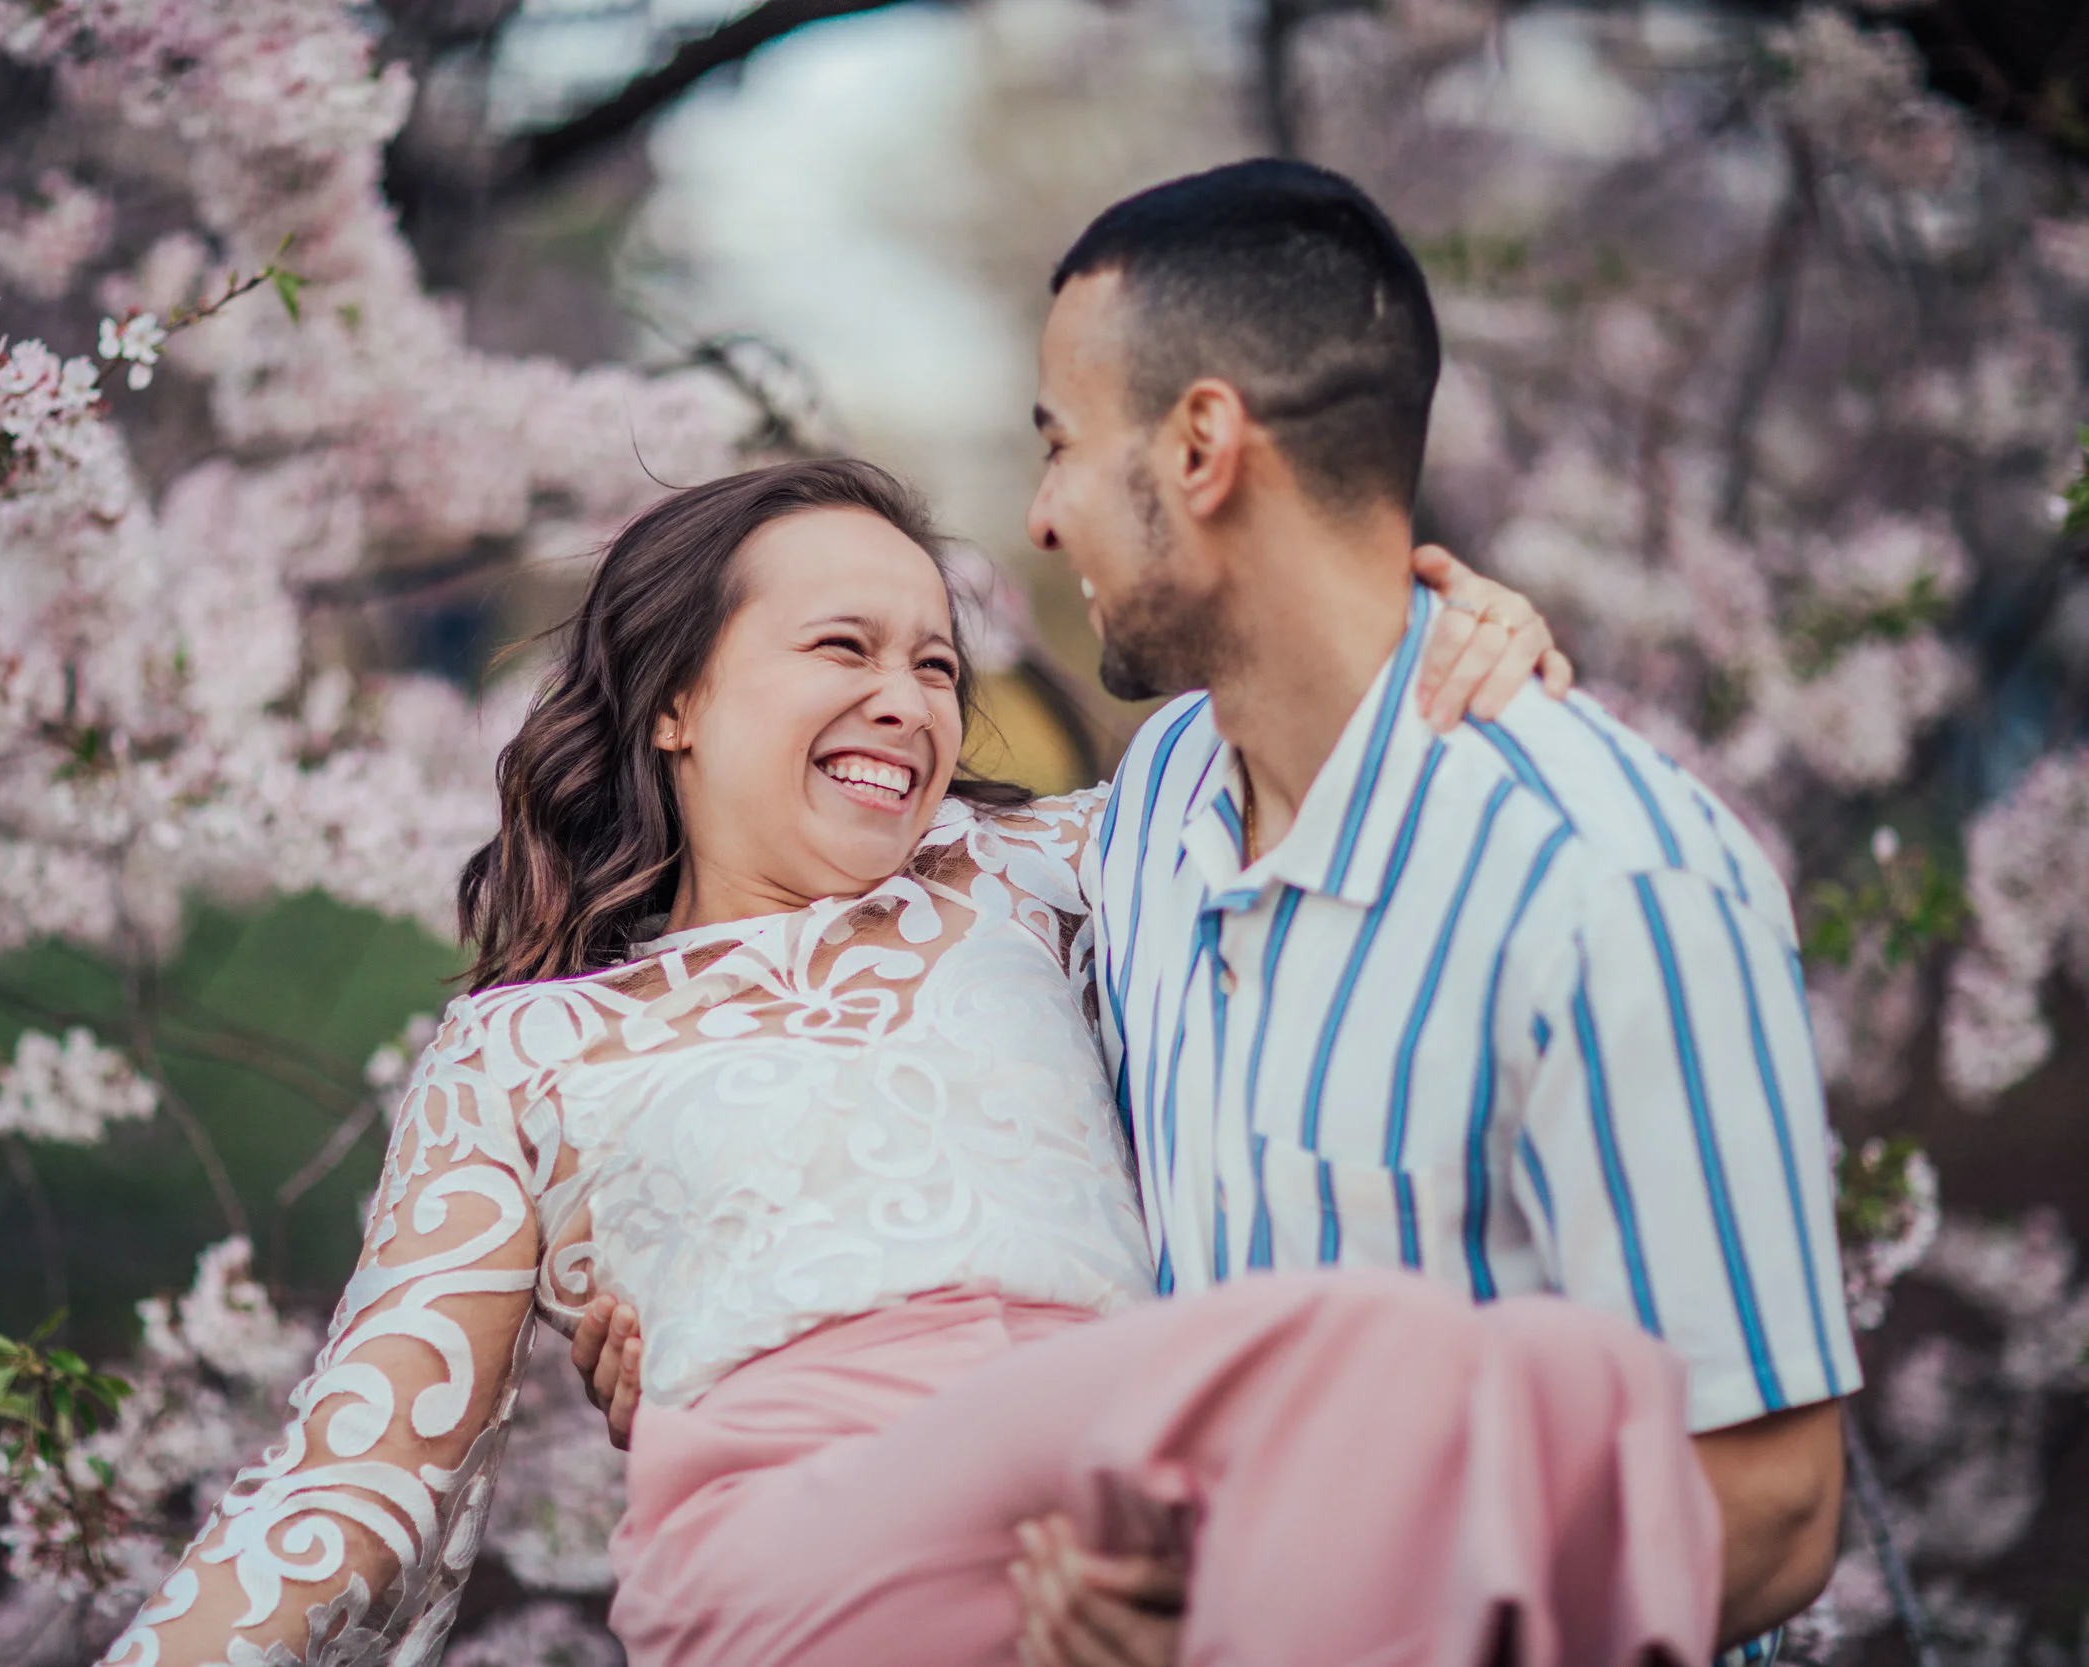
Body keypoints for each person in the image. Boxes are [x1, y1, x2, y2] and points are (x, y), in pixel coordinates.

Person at [99, 457, 1720, 1667]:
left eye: (937, 662)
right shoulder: (529, 1045)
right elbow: (355, 1472)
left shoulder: (1054, 879)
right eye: (843, 649)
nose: (907, 696)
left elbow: (1316, 736)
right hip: (802, 1548)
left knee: (1584, 1383)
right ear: (676, 697)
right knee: (1352, 1352)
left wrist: (1453, 630)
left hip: (1116, 1513)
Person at [572, 161, 1861, 1667]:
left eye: (1058, 446)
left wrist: (1285, 1622)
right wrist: (716, 1268)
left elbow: (1772, 1509)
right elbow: (897, 1021)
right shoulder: (1154, 813)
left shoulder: (1611, 886)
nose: (1039, 523)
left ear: (1199, 447)